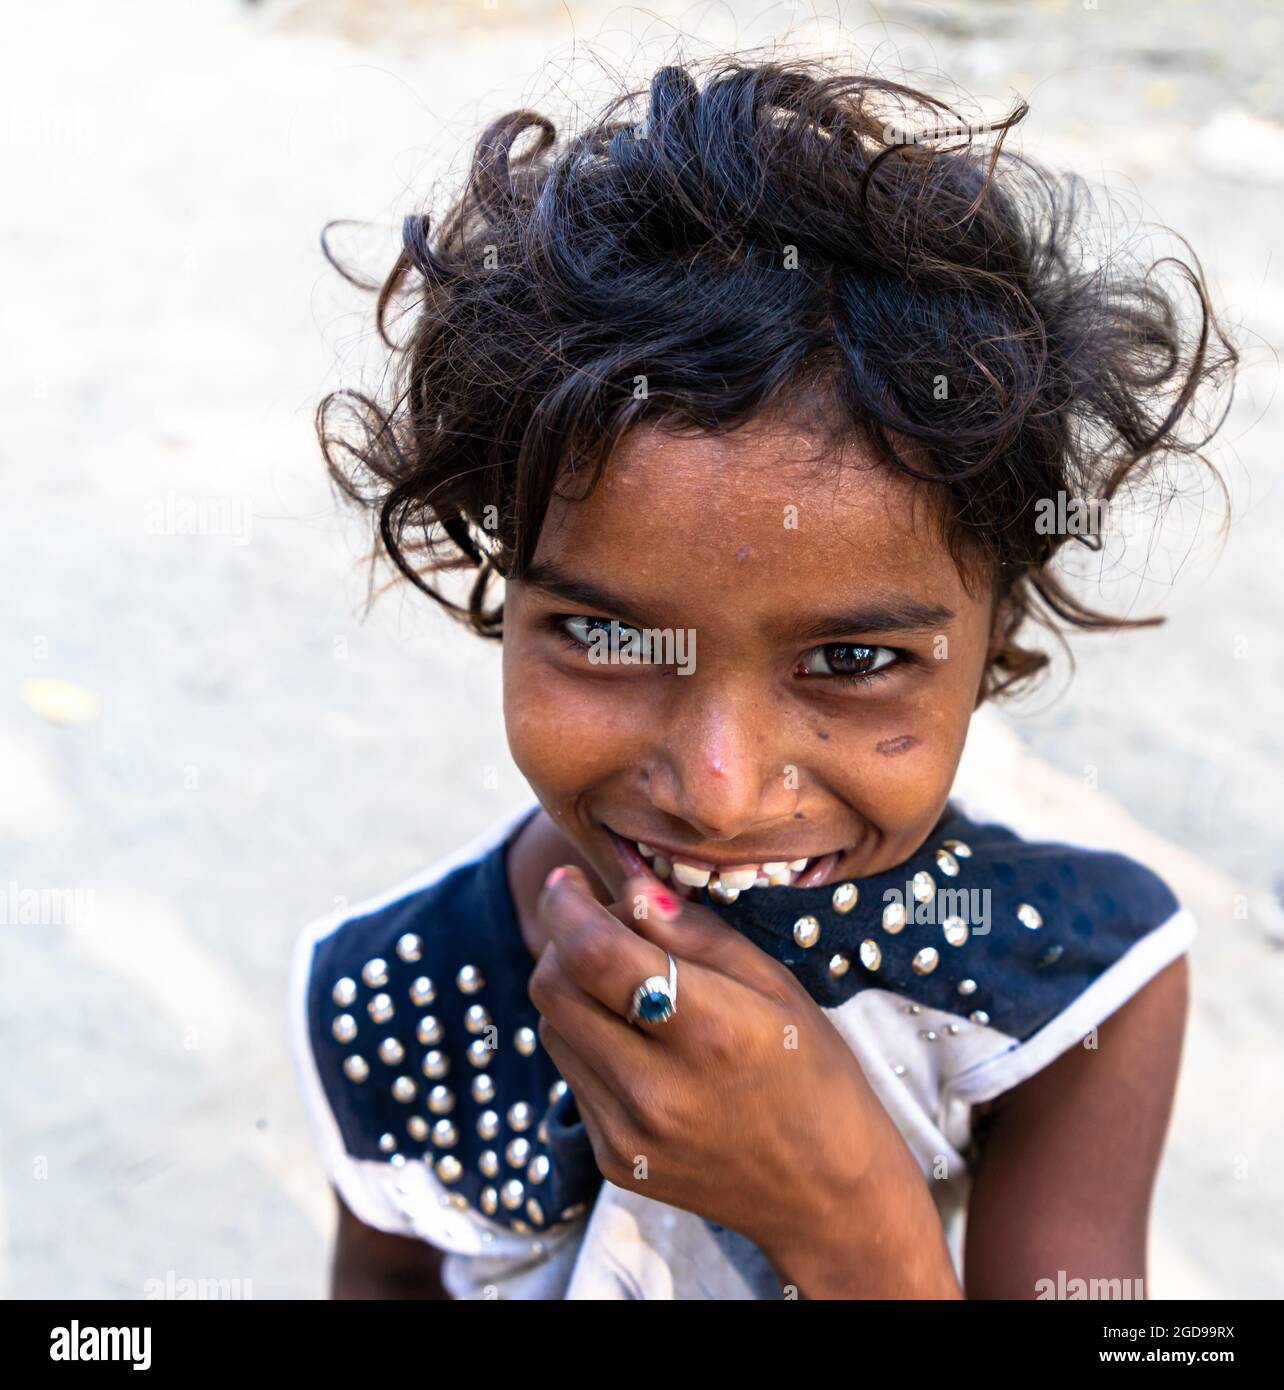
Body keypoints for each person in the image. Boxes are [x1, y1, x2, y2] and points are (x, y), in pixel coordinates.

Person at [289, 55, 1235, 1299]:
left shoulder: (1070, 977)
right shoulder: (401, 995)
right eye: (613, 640)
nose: (722, 795)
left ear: (994, 643)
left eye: (852, 662)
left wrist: (846, 1214)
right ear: (502, 584)